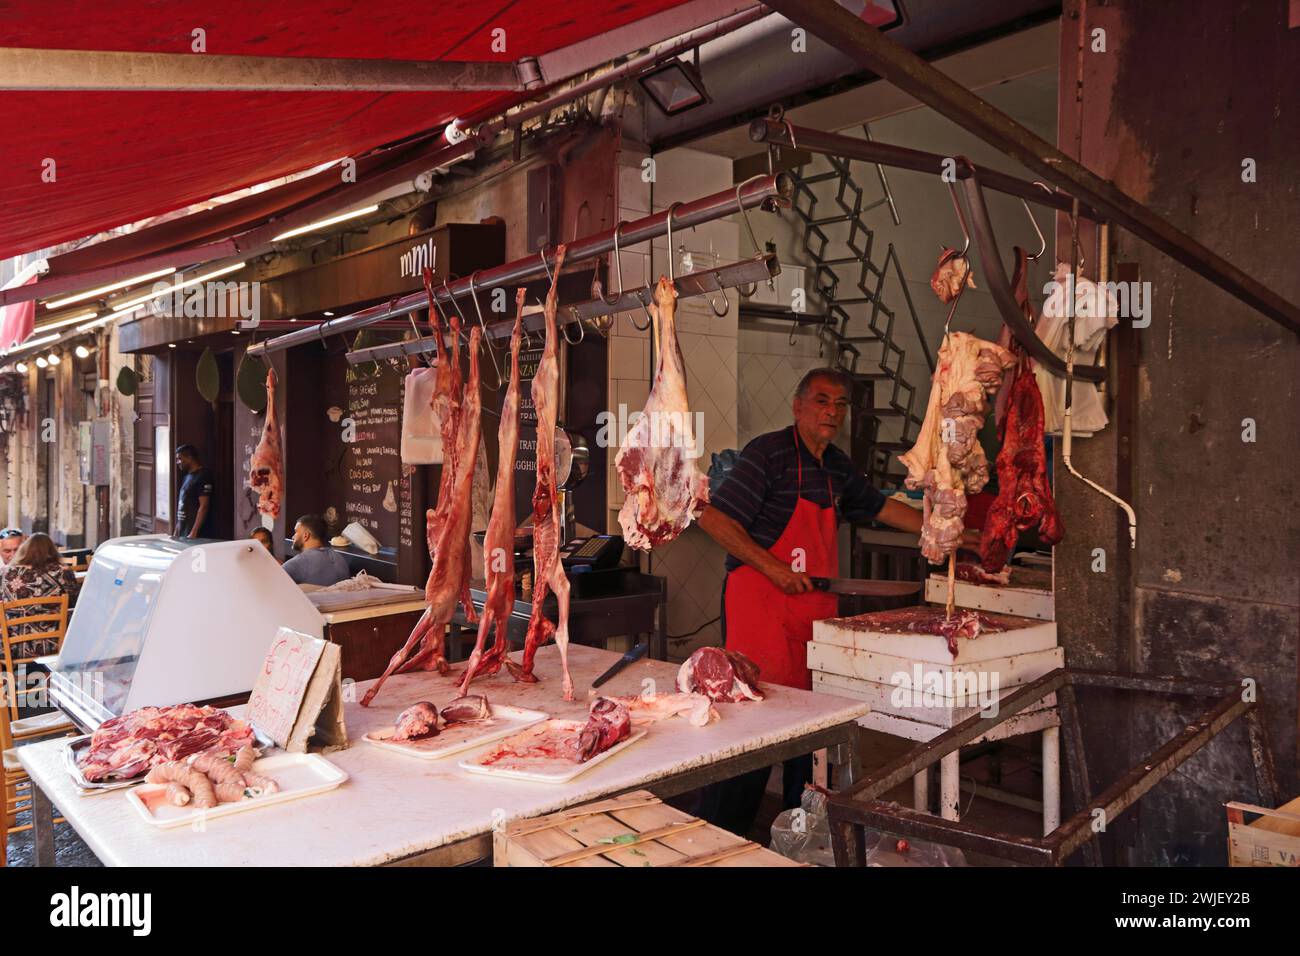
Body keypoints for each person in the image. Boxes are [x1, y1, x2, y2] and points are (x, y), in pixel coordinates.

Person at [694, 367, 980, 836]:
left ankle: (799, 834)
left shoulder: (836, 465)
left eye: (840, 404)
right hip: (762, 607)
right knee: (753, 730)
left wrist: (949, 534)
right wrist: (775, 568)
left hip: (812, 612)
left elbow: (880, 507)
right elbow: (714, 520)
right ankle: (719, 837)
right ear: (799, 405)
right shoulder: (768, 454)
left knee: (810, 736)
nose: (832, 412)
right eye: (822, 401)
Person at [1, 532, 78, 658]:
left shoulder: (6, 573)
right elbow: (74, 602)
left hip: (11, 646)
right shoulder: (62, 573)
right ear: (52, 550)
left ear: (24, 549)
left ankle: (10, 675)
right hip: (54, 643)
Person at [281, 514, 350, 587]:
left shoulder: (297, 564)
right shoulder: (340, 559)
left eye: (296, 532)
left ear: (305, 536)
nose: (293, 536)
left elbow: (273, 586)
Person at [173, 444, 214, 539]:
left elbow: (204, 505)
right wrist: (176, 531)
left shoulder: (203, 476)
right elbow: (182, 505)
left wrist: (194, 532)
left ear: (189, 458)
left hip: (195, 534)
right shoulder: (186, 477)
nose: (178, 462)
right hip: (183, 532)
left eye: (180, 459)